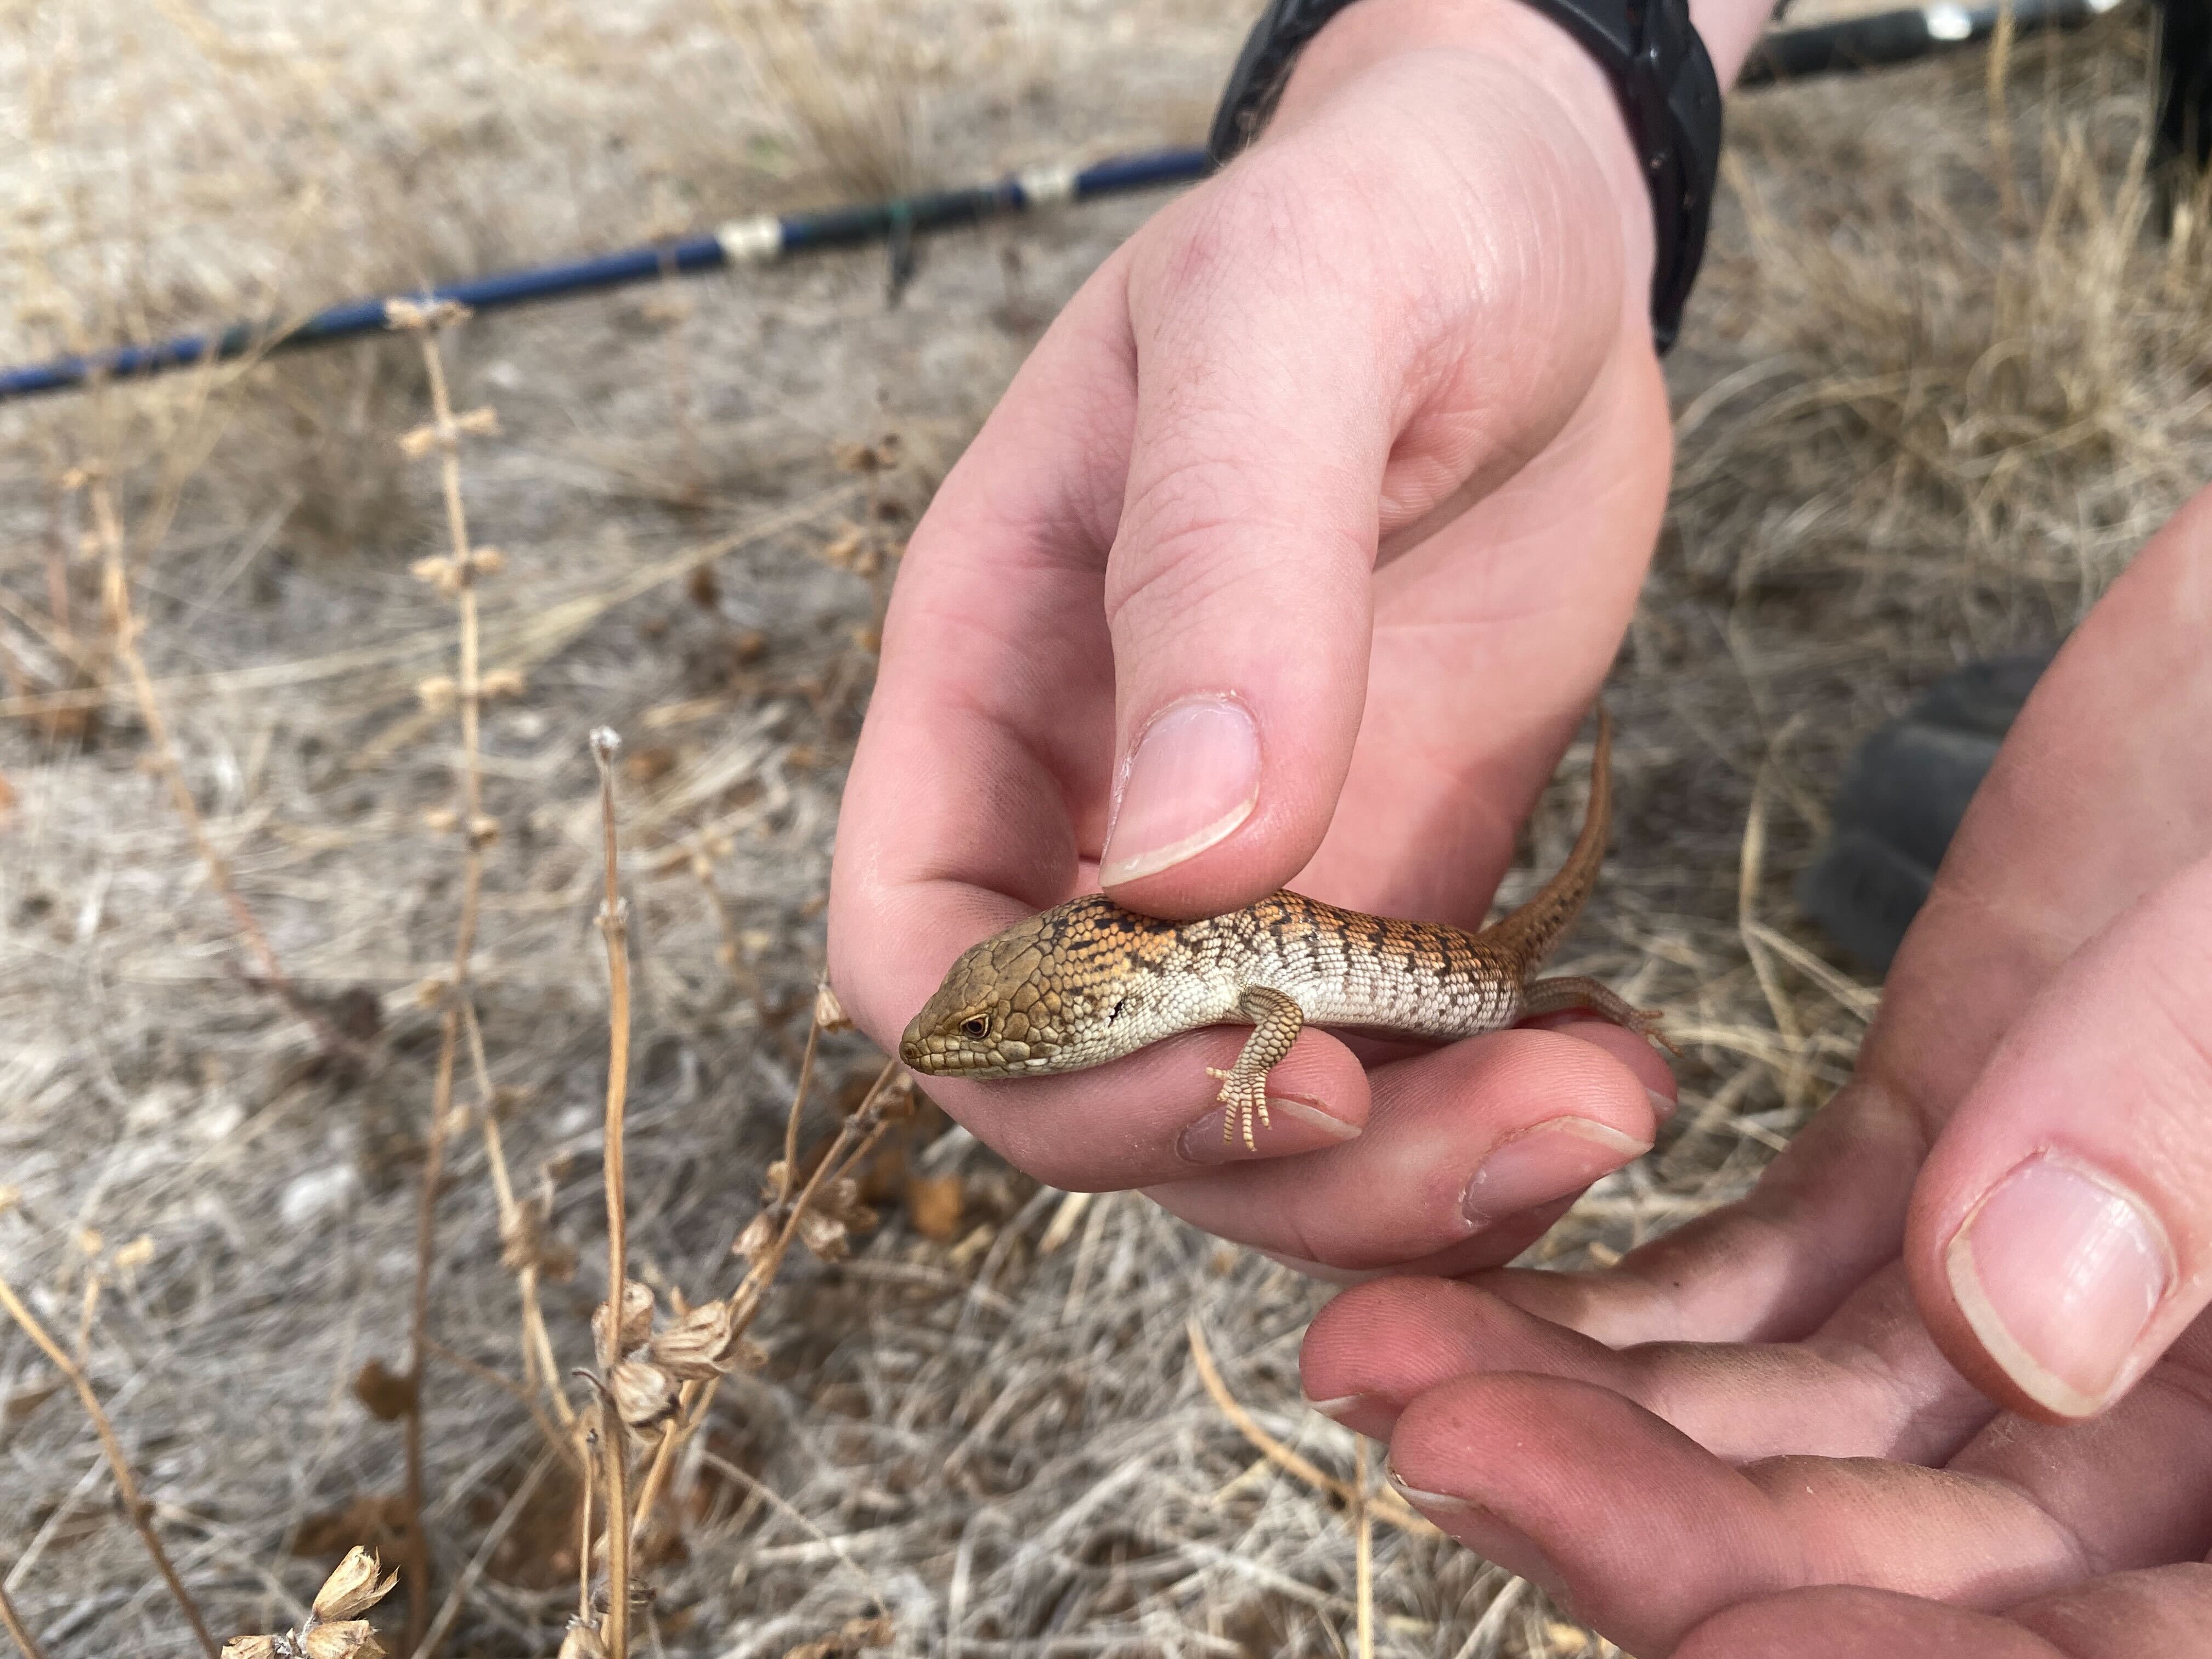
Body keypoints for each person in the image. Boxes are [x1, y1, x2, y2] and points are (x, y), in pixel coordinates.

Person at [827, 0, 2212, 1649]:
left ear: (1064, 998)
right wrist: (1524, 64)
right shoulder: (1133, 970)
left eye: (990, 1026)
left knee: (1518, 994)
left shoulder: (1171, 978)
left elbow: (1275, 1001)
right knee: (1530, 1036)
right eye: (982, 1029)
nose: (967, 1041)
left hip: (1453, 974)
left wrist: (1269, 1063)